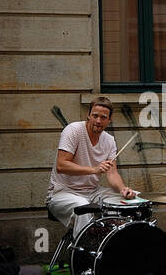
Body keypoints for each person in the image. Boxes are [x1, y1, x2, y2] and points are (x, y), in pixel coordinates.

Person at [47, 97, 137, 237]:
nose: (98, 121)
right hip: (62, 193)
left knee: (132, 200)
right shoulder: (73, 130)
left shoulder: (109, 140)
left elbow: (112, 174)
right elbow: (61, 165)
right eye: (95, 116)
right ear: (88, 115)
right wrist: (94, 169)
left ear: (109, 120)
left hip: (93, 192)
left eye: (103, 117)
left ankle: (116, 244)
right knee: (84, 207)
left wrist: (122, 189)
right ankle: (83, 254)